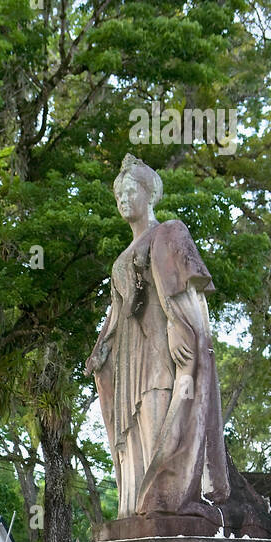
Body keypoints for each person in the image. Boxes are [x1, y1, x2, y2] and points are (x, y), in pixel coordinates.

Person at [85, 153, 230, 519]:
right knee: (135, 429)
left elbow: (184, 292)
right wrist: (100, 349)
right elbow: (117, 314)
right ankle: (138, 506)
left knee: (161, 417)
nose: (122, 198)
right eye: (118, 193)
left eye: (129, 190)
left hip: (160, 351)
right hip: (131, 356)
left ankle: (165, 501)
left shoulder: (168, 231)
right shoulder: (122, 256)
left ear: (148, 194)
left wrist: (177, 326)